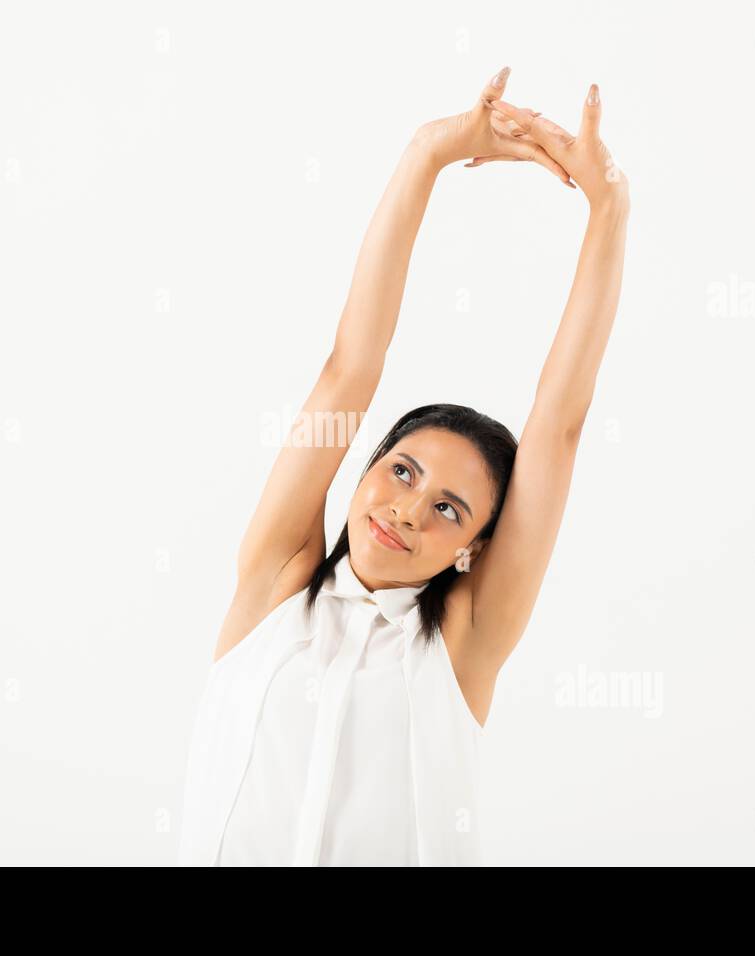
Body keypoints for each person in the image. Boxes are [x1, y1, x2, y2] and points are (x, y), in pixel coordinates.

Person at [177, 67, 630, 866]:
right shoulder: (273, 591)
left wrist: (609, 207)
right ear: (364, 472)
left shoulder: (459, 647)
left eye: (452, 509)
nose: (412, 510)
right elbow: (349, 367)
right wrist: (428, 153)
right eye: (405, 473)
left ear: (473, 550)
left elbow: (557, 426)